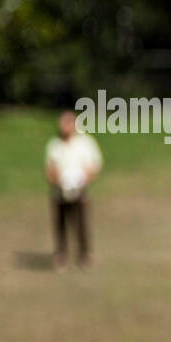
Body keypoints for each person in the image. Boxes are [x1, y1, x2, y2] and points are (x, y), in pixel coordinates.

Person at [44, 109, 103, 269]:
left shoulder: (85, 143)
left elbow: (94, 166)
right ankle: (61, 253)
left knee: (81, 223)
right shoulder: (55, 145)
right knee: (60, 223)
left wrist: (81, 180)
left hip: (81, 189)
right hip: (60, 190)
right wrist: (59, 181)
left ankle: (85, 254)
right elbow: (50, 168)